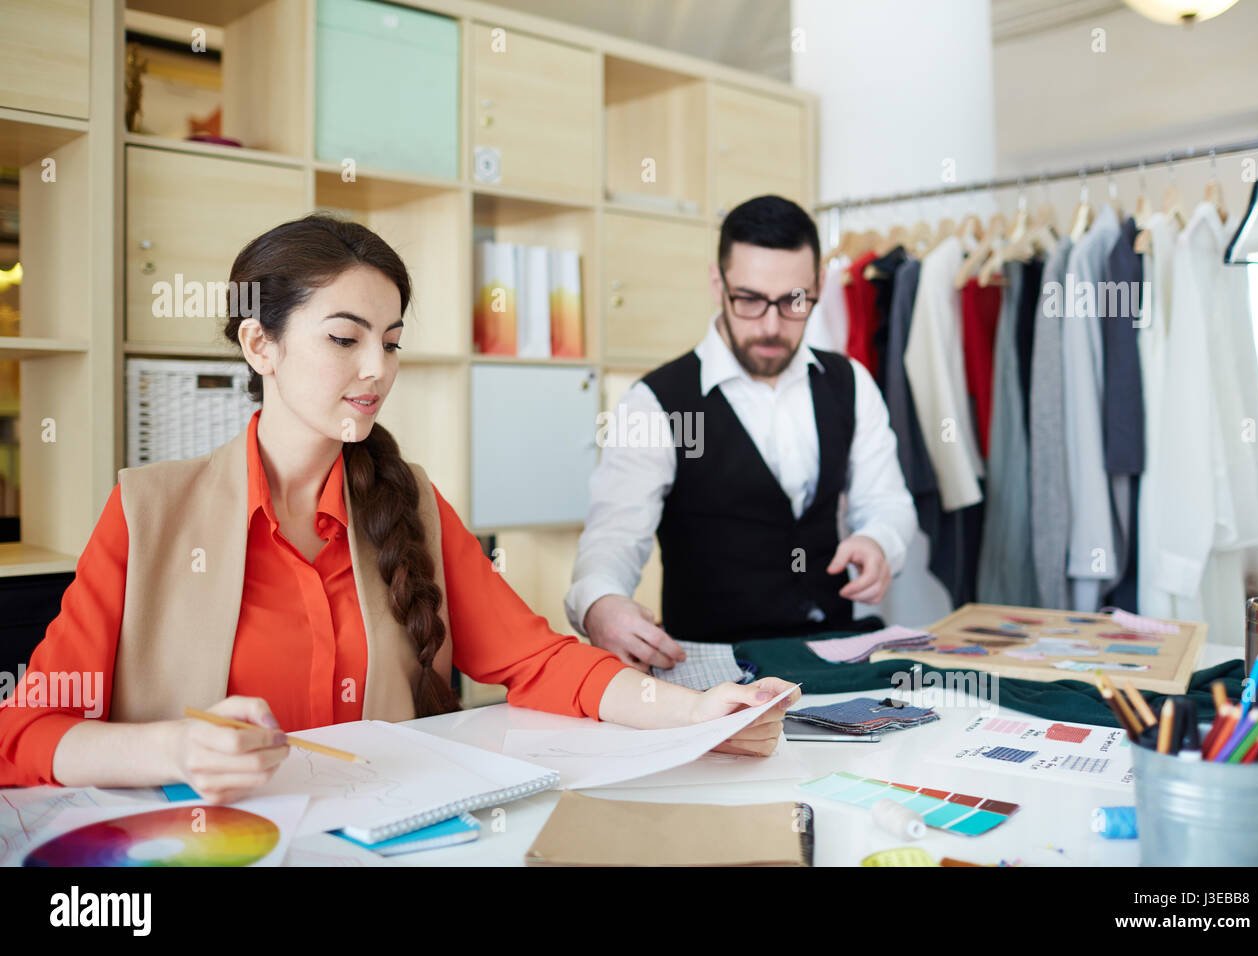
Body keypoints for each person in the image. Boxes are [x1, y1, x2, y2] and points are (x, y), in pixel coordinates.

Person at [0, 215, 798, 802]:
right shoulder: (148, 514)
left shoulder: (406, 497)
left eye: (392, 340)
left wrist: (697, 711)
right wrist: (176, 748)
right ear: (259, 345)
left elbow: (538, 661)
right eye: (344, 339)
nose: (376, 368)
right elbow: (22, 737)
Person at [566, 195, 917, 672]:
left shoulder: (850, 383)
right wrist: (600, 603)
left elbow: (889, 504)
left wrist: (880, 541)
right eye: (749, 300)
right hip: (709, 665)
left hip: (830, 652)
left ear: (817, 286)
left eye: (794, 301)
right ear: (717, 283)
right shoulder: (656, 401)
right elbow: (614, 536)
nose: (771, 327)